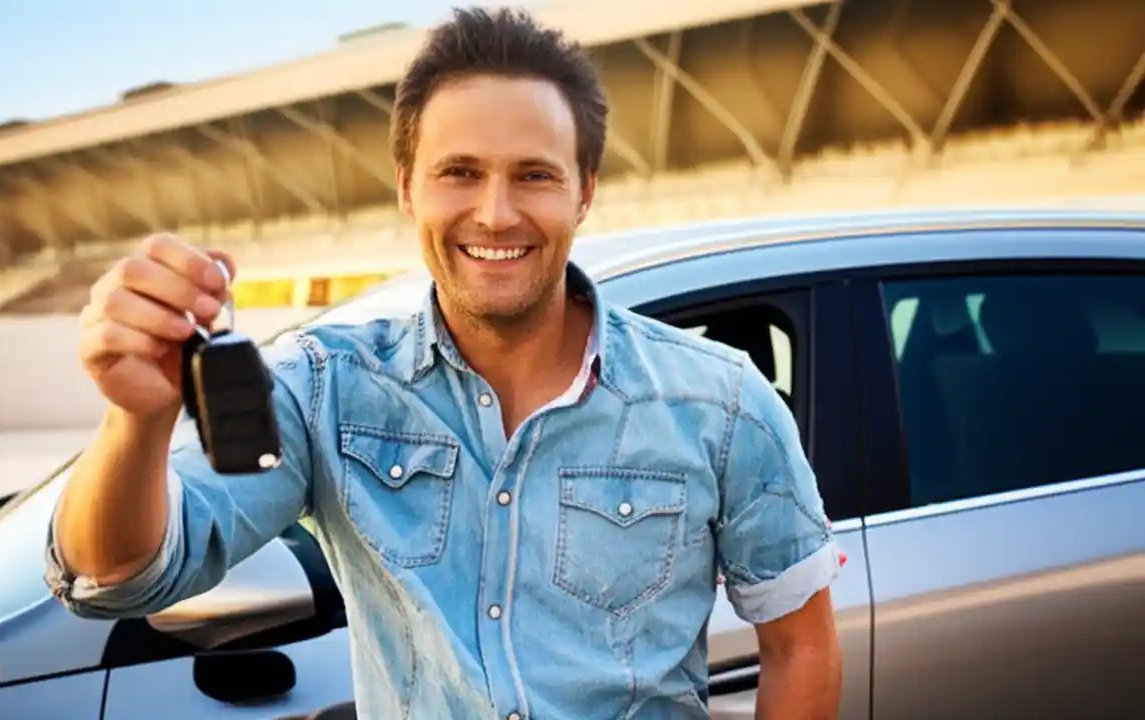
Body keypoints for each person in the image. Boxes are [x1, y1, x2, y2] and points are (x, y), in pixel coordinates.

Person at [46, 7, 843, 718]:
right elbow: (119, 575)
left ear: (584, 192)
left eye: (534, 174)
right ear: (407, 189)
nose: (495, 213)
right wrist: (136, 420)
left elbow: (801, 647)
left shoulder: (723, 401)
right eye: (459, 172)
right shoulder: (328, 391)